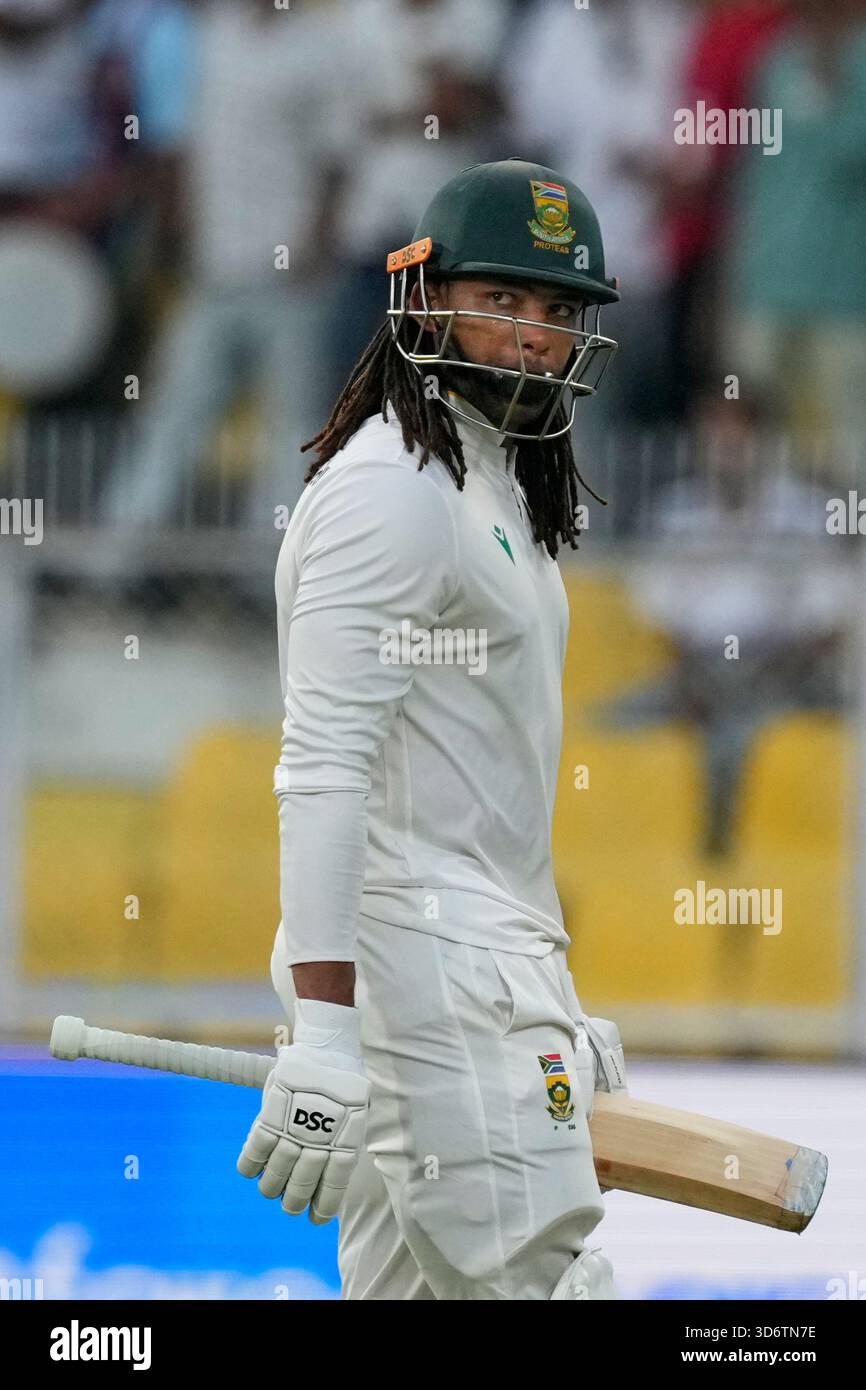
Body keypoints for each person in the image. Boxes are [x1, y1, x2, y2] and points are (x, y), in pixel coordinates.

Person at [237, 159, 627, 1301]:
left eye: (555, 312)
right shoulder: (391, 487)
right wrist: (323, 1031)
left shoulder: (486, 478)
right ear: (419, 296)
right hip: (424, 979)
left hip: (471, 976)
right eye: (499, 300)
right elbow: (321, 771)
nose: (528, 337)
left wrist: (541, 990)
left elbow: (466, 790)